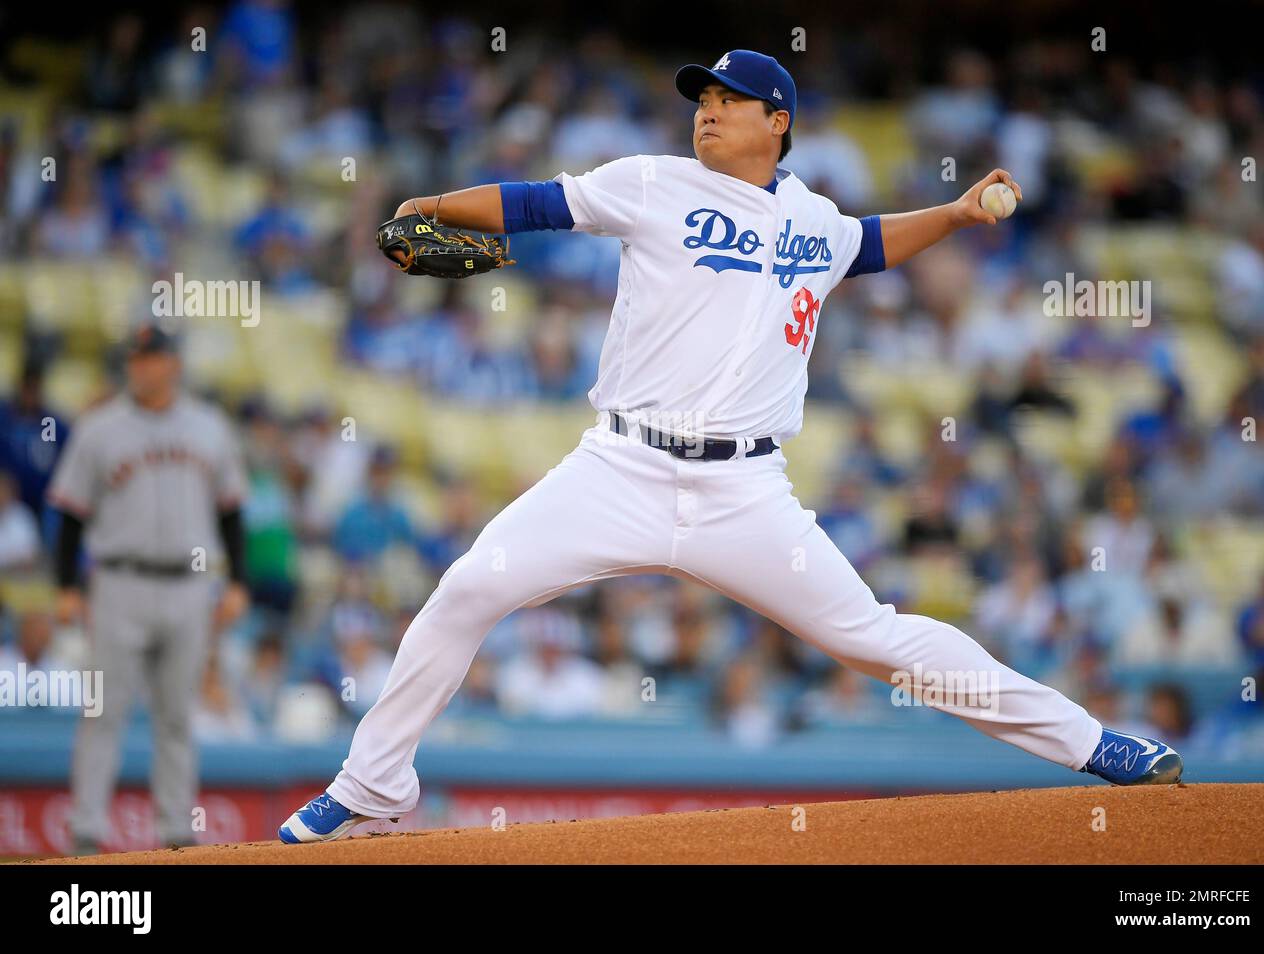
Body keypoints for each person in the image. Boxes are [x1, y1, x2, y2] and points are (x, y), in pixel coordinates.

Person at [281, 50, 1183, 844]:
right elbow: (535, 203)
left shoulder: (816, 220)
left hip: (746, 493)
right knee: (468, 589)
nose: (706, 111)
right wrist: (434, 204)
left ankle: (1093, 744)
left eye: (727, 99)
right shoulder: (654, 182)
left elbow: (868, 245)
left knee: (877, 640)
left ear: (777, 121)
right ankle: (371, 787)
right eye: (702, 99)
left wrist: (951, 214)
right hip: (620, 468)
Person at [47, 324, 249, 853]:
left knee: (178, 715)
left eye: (149, 358)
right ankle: (86, 830)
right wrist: (66, 585)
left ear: (172, 364)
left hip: (189, 586)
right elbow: (70, 514)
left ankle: (176, 831)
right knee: (103, 712)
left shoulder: (209, 426)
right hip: (120, 582)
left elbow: (231, 510)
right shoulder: (99, 429)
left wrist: (238, 581)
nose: (140, 367)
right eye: (134, 359)